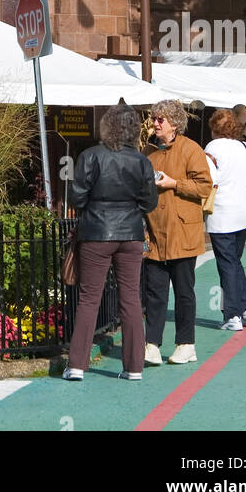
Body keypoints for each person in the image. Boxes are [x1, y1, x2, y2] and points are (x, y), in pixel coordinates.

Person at [63, 104, 158, 381]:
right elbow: (150, 201)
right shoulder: (141, 160)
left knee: (90, 299)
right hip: (130, 233)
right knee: (130, 298)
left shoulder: (91, 156)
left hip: (96, 232)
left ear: (106, 126)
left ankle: (77, 365)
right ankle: (134, 367)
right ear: (134, 129)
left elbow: (77, 197)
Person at [143, 99, 213, 365]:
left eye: (160, 119)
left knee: (184, 292)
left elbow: (204, 187)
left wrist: (174, 184)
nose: (155, 123)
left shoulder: (191, 149)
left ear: (174, 123)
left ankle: (186, 344)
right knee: (155, 292)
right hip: (155, 233)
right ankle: (151, 344)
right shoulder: (148, 150)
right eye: (154, 118)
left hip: (183, 232)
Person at [205, 108, 246, 330]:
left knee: (227, 264)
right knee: (235, 261)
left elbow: (209, 180)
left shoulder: (212, 148)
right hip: (244, 212)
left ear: (214, 128)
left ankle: (232, 315)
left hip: (222, 213)